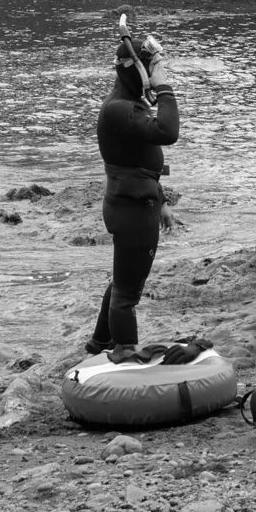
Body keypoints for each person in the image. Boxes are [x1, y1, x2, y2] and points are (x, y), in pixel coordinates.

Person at [87, 29, 179, 361]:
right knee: (127, 293)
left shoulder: (126, 105)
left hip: (134, 201)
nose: (158, 72)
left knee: (123, 278)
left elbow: (137, 160)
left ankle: (100, 341)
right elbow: (168, 132)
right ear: (138, 70)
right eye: (154, 65)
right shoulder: (121, 109)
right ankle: (124, 351)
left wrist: (162, 201)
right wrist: (165, 88)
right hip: (132, 208)